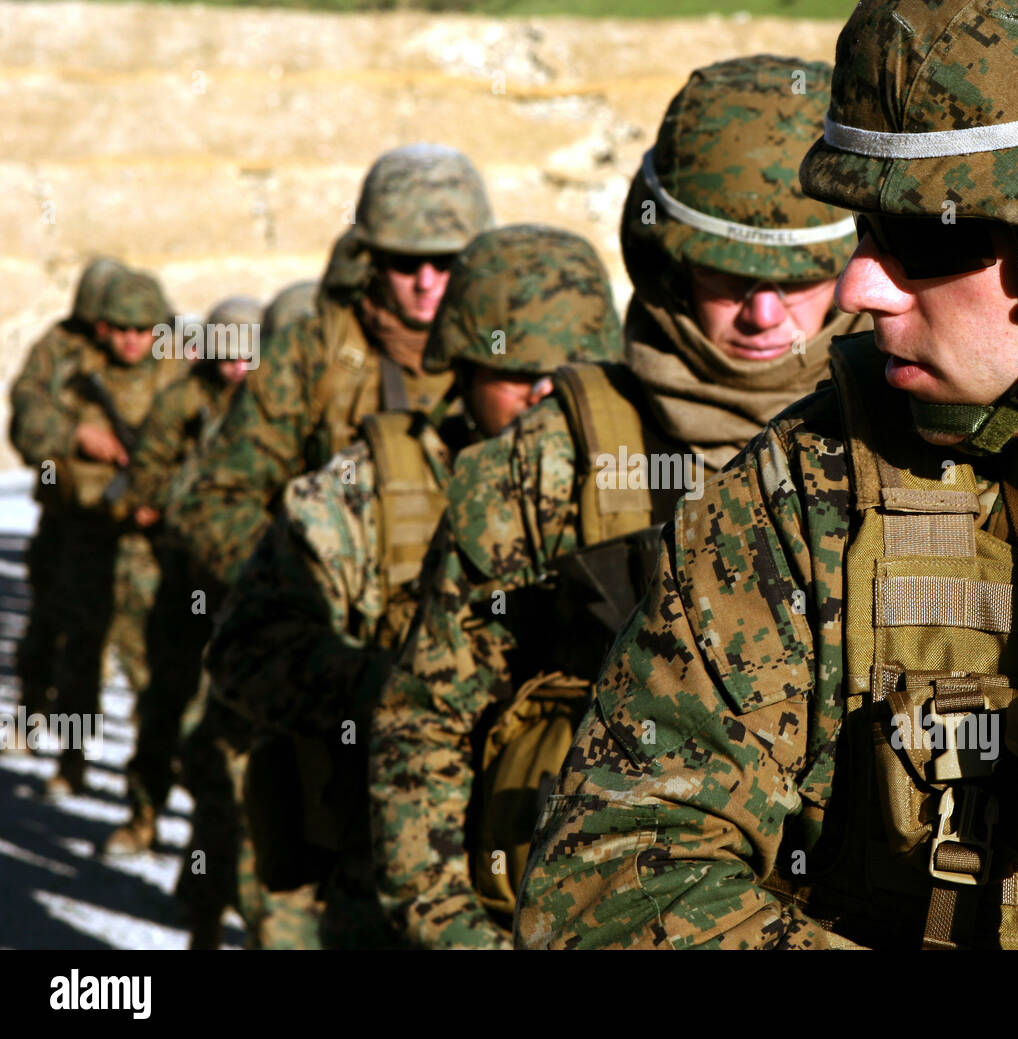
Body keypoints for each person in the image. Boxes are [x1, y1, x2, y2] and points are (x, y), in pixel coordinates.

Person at [517, 0, 1018, 951]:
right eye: (863, 231)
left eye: (922, 240)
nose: (859, 287)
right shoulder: (813, 497)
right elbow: (604, 879)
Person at [368, 54, 869, 948]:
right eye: (727, 277)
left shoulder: (907, 444)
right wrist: (458, 936)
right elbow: (425, 735)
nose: (764, 315)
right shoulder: (546, 465)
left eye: (797, 281)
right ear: (668, 264)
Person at [204, 224, 624, 948]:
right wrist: (406, 691)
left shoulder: (631, 483)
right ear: (461, 365)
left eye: (572, 375)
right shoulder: (369, 486)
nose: (546, 397)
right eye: (518, 374)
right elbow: (246, 650)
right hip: (394, 891)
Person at [174, 144, 493, 949]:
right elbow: (214, 500)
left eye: (447, 262)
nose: (427, 284)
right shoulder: (314, 353)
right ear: (370, 257)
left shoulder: (503, 350)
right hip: (321, 678)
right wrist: (308, 576)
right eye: (404, 263)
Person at [103, 296, 260, 857]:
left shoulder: (273, 406)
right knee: (164, 701)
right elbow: (144, 487)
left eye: (248, 357)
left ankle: (218, 842)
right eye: (227, 356)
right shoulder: (181, 402)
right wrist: (192, 495)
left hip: (246, 582)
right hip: (180, 578)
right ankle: (144, 815)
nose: (236, 369)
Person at [39, 268, 181, 797]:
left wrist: (160, 501)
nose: (130, 339)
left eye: (142, 329)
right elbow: (28, 424)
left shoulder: (180, 375)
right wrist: (75, 434)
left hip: (151, 548)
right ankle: (71, 761)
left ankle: (149, 787)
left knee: (152, 666)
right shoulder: (75, 369)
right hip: (87, 535)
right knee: (79, 657)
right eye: (119, 327)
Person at [8, 257, 126, 732]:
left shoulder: (144, 342)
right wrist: (76, 435)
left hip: (124, 509)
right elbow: (26, 416)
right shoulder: (56, 349)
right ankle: (35, 713)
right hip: (64, 510)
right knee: (48, 621)